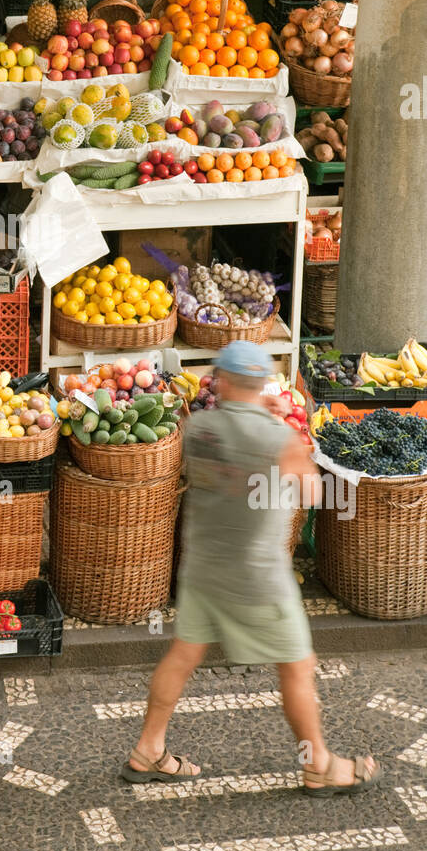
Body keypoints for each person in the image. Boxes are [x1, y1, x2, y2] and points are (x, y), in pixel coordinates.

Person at [121, 341, 380, 796]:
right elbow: (313, 494)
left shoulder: (198, 427)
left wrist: (258, 412)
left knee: (182, 656)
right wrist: (281, 426)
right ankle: (318, 763)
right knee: (297, 667)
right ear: (262, 383)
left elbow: (230, 439)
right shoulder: (277, 437)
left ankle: (147, 749)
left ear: (219, 381)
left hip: (202, 565)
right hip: (258, 576)